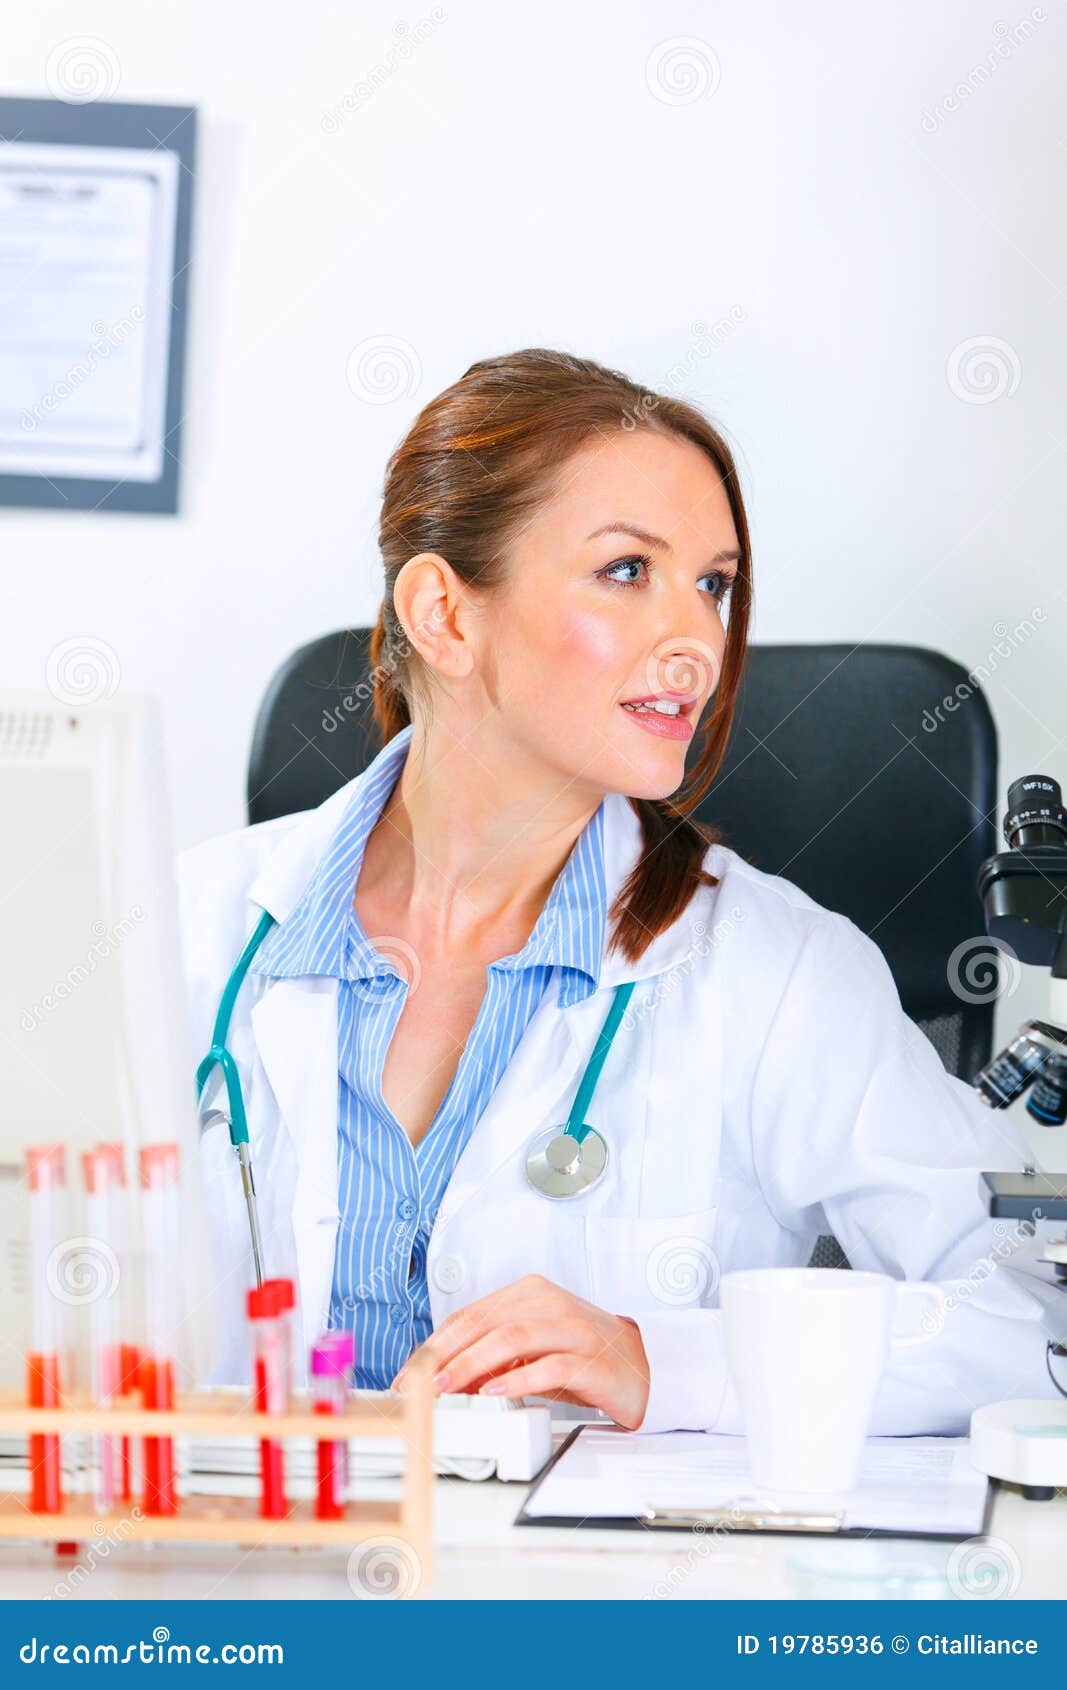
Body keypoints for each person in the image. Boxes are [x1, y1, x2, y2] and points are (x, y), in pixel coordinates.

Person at [178, 348, 1059, 1434]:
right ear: (445, 615)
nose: (697, 639)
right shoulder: (178, 932)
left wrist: (670, 1364)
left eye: (714, 584)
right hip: (232, 1585)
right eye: (628, 571)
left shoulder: (776, 969)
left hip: (587, 1602)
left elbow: (1026, 1322)